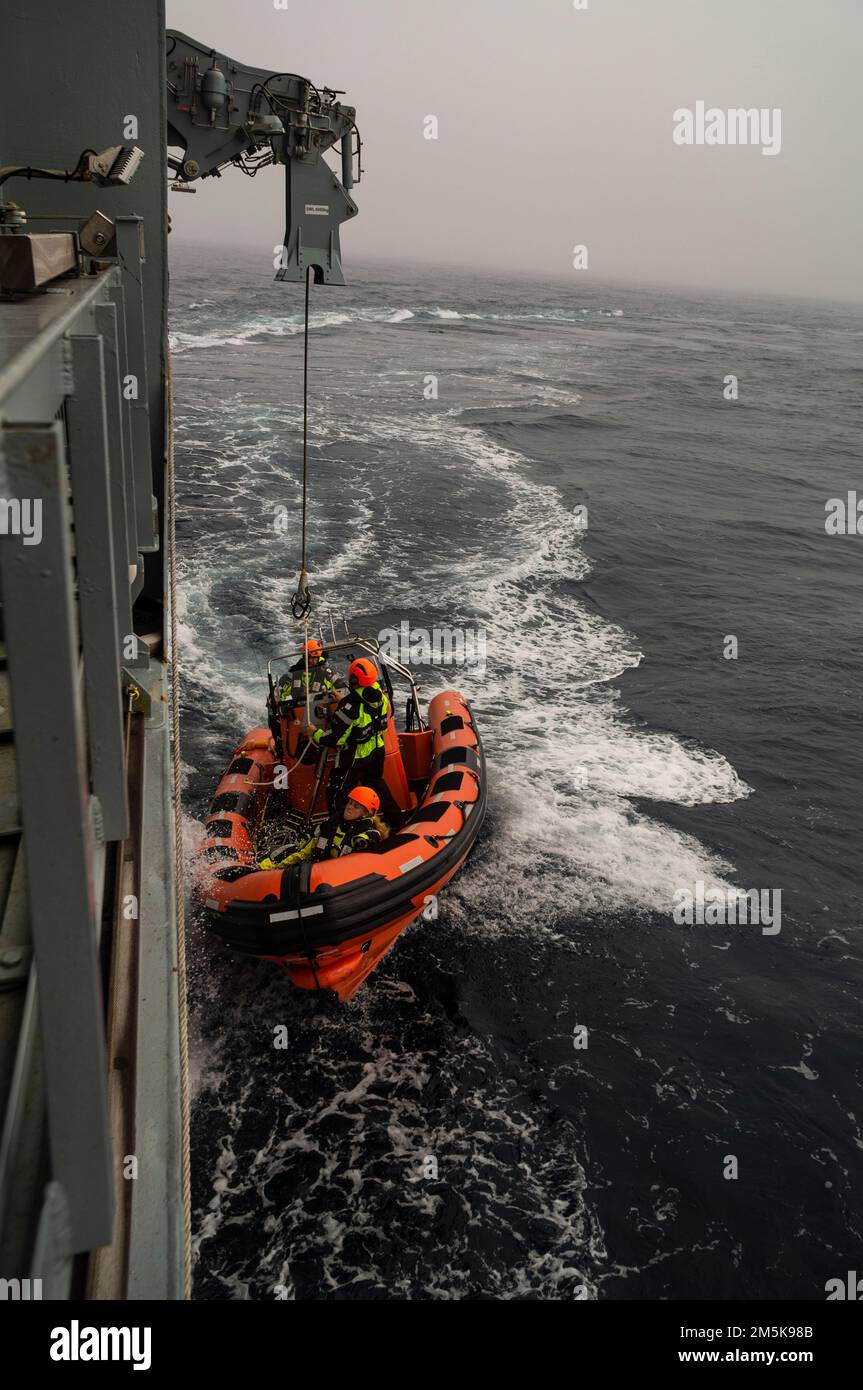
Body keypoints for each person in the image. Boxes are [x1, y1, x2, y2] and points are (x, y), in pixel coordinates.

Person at [306, 656, 402, 823]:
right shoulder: (380, 695)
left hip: (354, 757)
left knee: (337, 795)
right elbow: (368, 716)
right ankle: (396, 821)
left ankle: (338, 832)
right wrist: (344, 701)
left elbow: (334, 739)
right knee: (377, 786)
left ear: (355, 679)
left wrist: (314, 732)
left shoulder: (350, 707)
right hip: (377, 750)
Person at [259, 787, 389, 867]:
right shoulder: (330, 825)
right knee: (293, 850)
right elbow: (304, 851)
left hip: (345, 880)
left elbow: (372, 836)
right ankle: (264, 865)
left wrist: (361, 841)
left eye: (356, 806)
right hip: (321, 870)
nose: (349, 807)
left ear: (366, 813)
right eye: (350, 803)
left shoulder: (368, 833)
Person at [276, 638, 338, 711]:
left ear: (318, 658)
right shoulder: (294, 672)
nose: (310, 661)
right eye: (307, 657)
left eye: (313, 658)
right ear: (303, 656)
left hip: (321, 710)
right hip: (299, 710)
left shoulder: (326, 672)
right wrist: (275, 698)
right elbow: (279, 690)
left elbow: (340, 688)